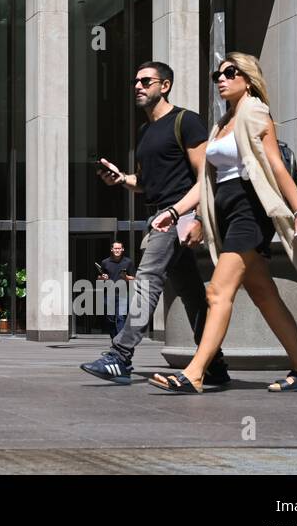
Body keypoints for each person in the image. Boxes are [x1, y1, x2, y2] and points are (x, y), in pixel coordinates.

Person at [148, 53, 297, 393]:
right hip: (227, 214)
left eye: (230, 72)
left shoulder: (255, 111)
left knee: (216, 291)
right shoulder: (222, 123)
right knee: (263, 294)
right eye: (218, 74)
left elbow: (275, 164)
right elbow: (206, 182)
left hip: (250, 211)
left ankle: (195, 373)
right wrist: (175, 212)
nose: (221, 79)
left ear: (248, 78)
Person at [80, 60, 232, 386]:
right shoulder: (146, 131)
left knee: (147, 280)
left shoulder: (185, 121)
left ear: (164, 86)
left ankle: (120, 356)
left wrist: (196, 218)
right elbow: (146, 183)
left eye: (146, 81)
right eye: (135, 81)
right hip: (160, 214)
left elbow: (207, 176)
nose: (138, 86)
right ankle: (216, 366)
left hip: (179, 215)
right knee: (192, 294)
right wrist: (122, 178)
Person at [97, 241, 135, 338]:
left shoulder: (128, 262)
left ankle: (119, 341)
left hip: (123, 294)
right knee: (110, 318)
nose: (117, 250)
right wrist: (103, 278)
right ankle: (114, 338)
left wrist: (126, 277)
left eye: (119, 248)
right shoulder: (105, 262)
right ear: (112, 249)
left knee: (121, 317)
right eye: (115, 248)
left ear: (122, 249)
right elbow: (99, 278)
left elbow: (134, 278)